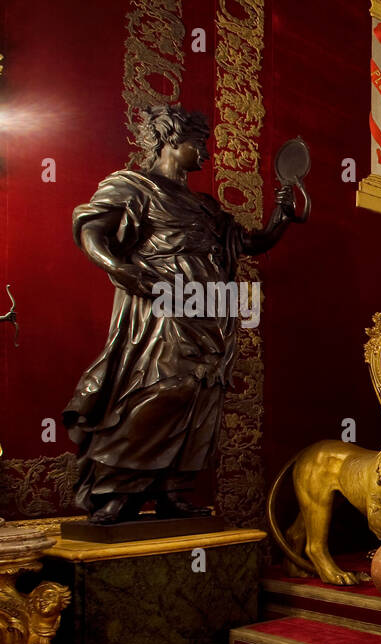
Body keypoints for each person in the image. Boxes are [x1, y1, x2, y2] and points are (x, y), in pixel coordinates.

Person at [64, 105, 298, 525]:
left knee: (201, 396)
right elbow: (90, 229)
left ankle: (171, 490)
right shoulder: (133, 186)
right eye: (199, 144)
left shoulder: (205, 207)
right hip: (164, 307)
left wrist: (281, 217)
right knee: (161, 388)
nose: (206, 154)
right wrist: (119, 268)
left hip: (211, 312)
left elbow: (249, 242)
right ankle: (118, 489)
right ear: (171, 140)